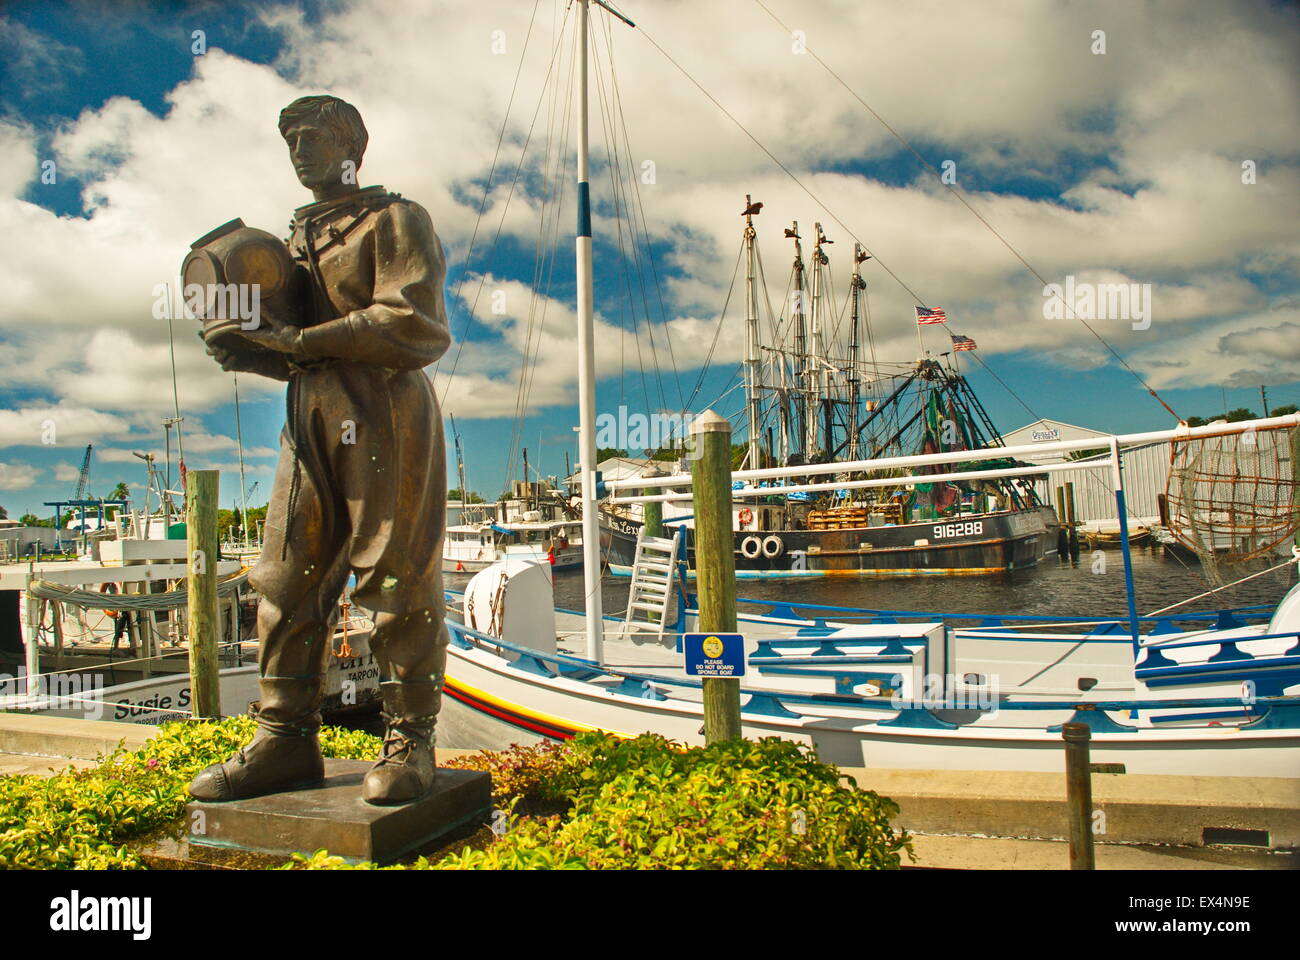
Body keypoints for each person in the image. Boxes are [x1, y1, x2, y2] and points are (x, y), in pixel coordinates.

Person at [188, 95, 451, 806]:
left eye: (313, 136)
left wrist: (300, 343)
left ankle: (410, 737)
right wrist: (246, 348)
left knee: (395, 576)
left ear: (351, 145)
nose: (300, 150)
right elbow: (293, 351)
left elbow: (414, 322)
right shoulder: (297, 242)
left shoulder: (395, 220)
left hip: (385, 412)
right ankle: (285, 737)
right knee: (284, 577)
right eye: (291, 140)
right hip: (309, 414)